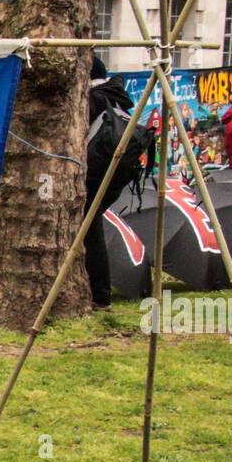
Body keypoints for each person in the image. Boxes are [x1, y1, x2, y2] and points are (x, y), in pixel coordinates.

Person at [84, 55, 139, 310]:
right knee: (90, 229)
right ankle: (98, 292)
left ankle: (100, 294)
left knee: (90, 232)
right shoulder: (115, 96)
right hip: (116, 173)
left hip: (96, 173)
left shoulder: (95, 99)